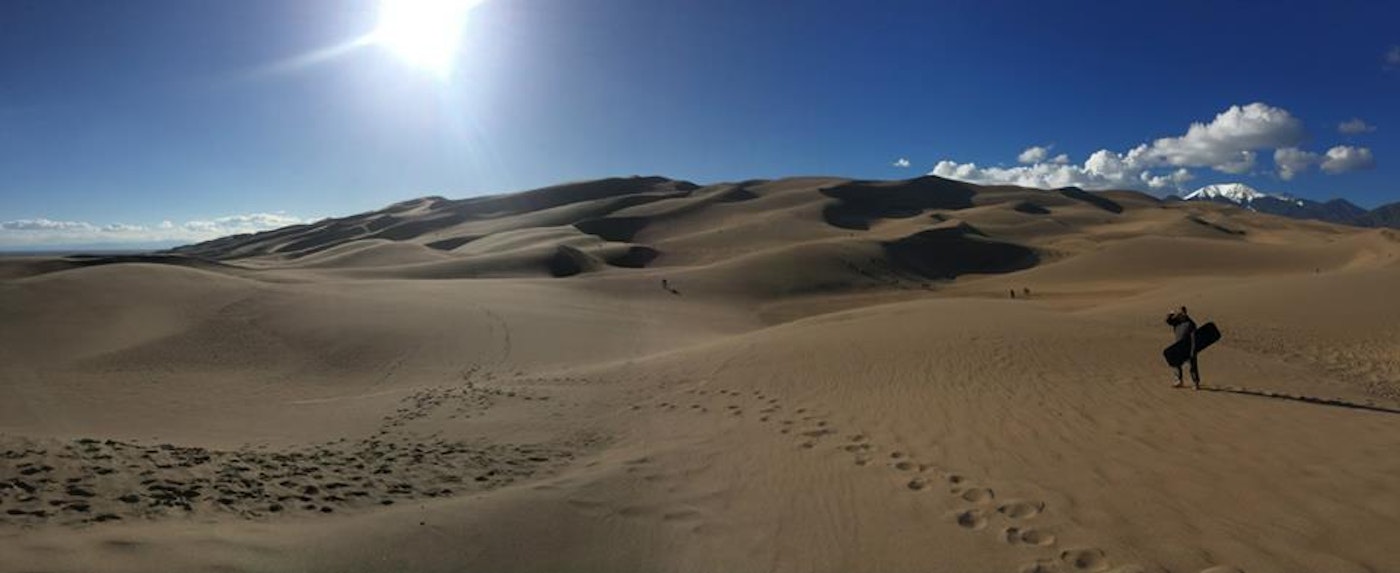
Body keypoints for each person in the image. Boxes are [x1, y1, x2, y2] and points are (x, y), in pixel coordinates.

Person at [1165, 306, 1201, 389]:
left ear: (1185, 313)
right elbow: (1168, 321)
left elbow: (1194, 338)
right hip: (1179, 347)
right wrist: (1170, 314)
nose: (1181, 315)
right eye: (1179, 314)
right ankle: (1179, 381)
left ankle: (1196, 383)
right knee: (1176, 363)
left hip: (1189, 347)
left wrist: (1193, 350)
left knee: (1192, 365)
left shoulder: (1190, 323)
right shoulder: (1177, 322)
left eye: (1182, 313)